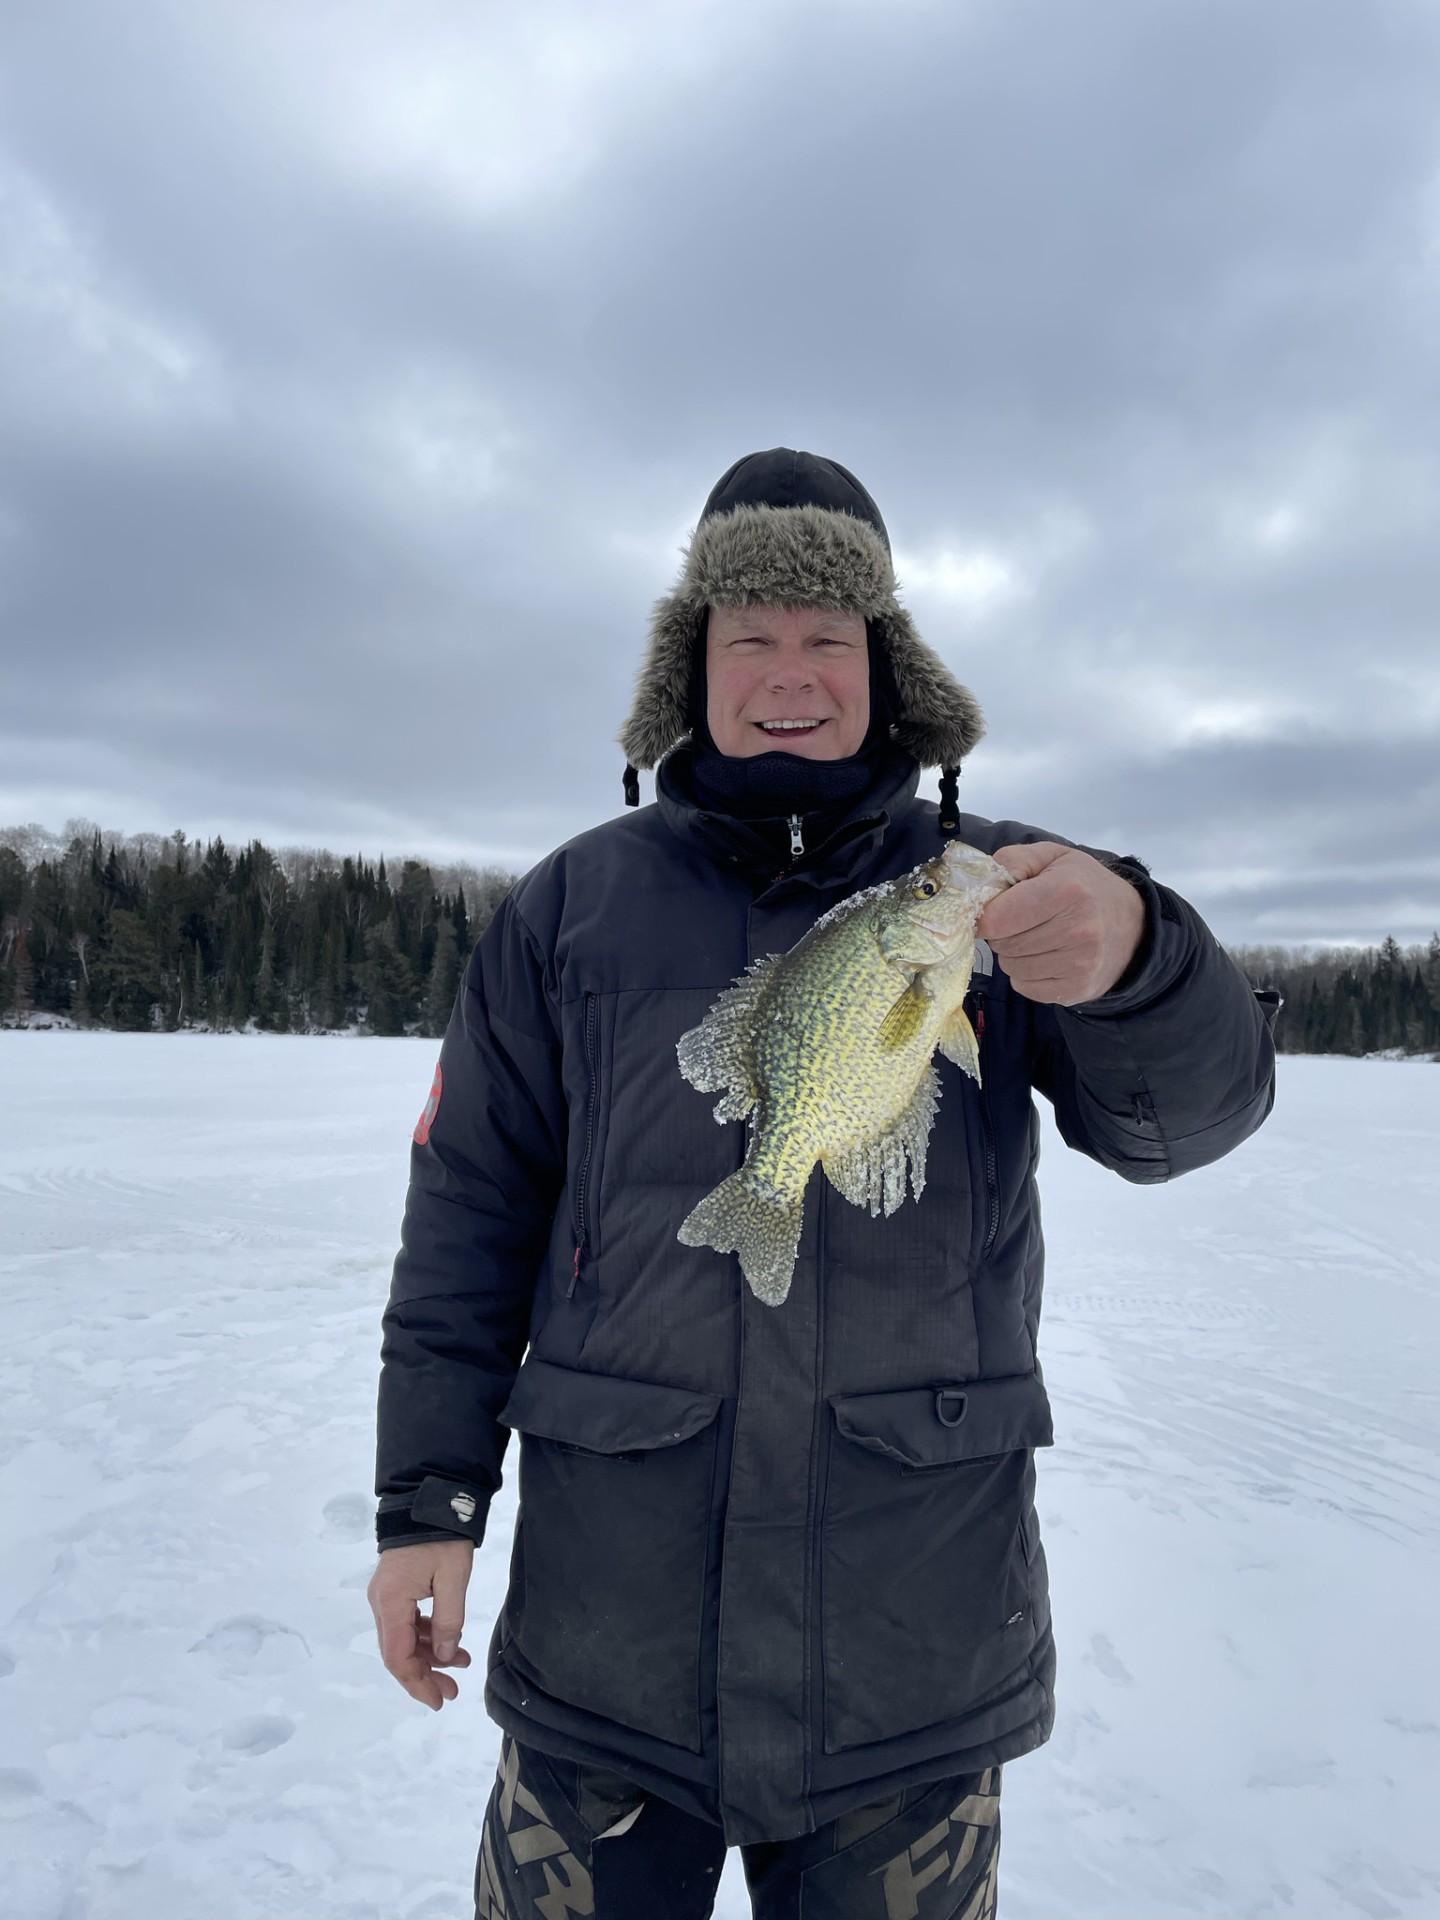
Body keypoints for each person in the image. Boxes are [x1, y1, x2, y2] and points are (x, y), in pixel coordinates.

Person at [369, 450, 1278, 1919]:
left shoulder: (1002, 888)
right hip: (610, 1668)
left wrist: (1143, 957)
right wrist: (427, 1499)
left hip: (910, 1678)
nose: (790, 672)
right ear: (694, 667)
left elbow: (1193, 1121)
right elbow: (469, 1215)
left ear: (888, 668)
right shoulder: (569, 910)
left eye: (828, 638)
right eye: (750, 636)